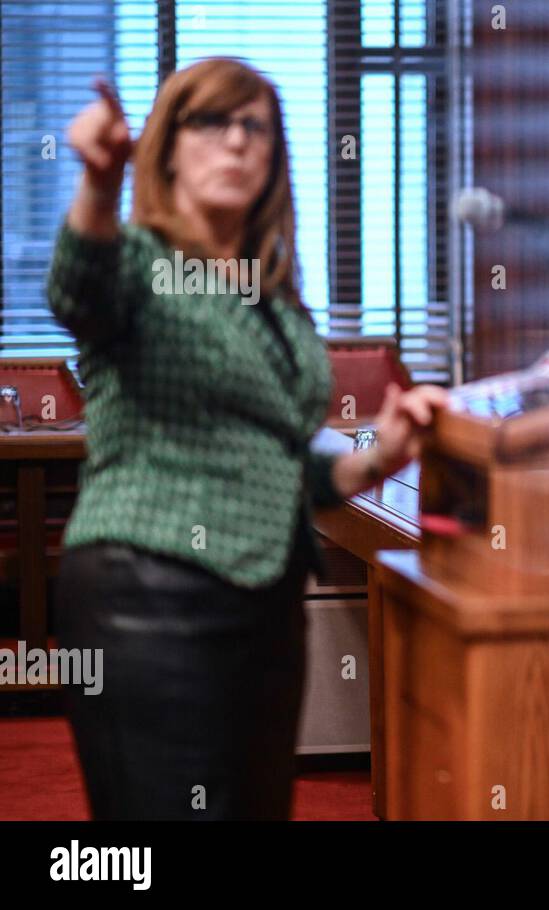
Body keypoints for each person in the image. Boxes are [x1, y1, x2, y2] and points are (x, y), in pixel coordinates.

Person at [48, 58, 446, 819]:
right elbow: (79, 288)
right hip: (152, 594)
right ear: (167, 149)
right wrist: (99, 182)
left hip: (267, 601)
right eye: (210, 122)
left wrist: (382, 454)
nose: (236, 141)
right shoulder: (138, 263)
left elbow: (284, 463)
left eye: (255, 127)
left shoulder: (274, 301)